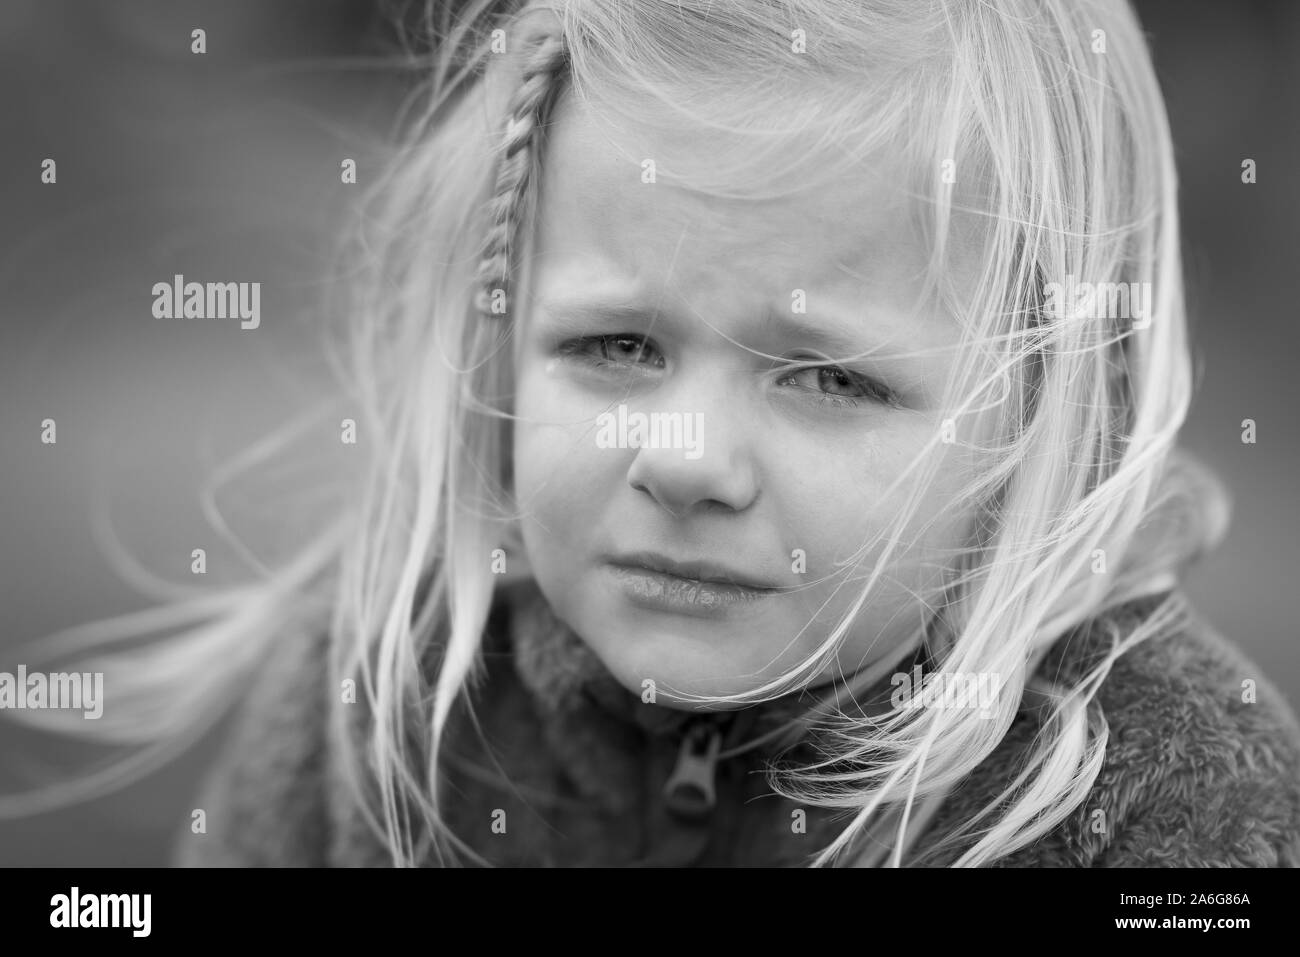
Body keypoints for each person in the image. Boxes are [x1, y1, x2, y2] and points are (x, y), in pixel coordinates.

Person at [4, 0, 1298, 867]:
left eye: (831, 380)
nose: (684, 458)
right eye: (617, 347)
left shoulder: (1152, 791)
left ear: (1043, 416)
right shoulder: (390, 700)